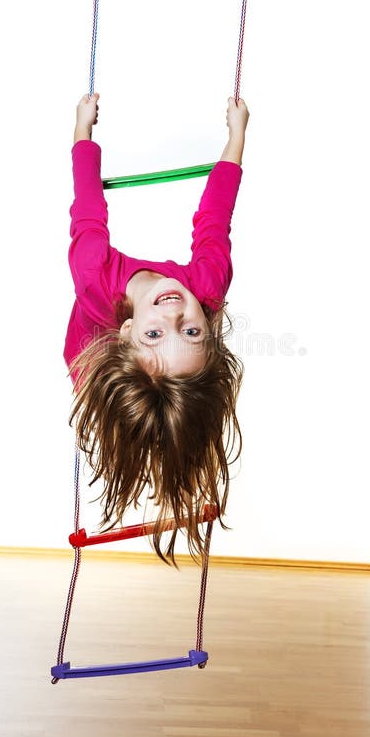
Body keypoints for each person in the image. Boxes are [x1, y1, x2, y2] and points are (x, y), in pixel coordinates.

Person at [65, 93, 249, 564]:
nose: (173, 315)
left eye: (154, 334)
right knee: (173, 412)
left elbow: (87, 206)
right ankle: (173, 440)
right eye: (191, 332)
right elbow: (215, 220)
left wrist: (82, 132)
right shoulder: (205, 288)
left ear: (127, 333)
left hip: (87, 346)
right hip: (134, 361)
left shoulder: (93, 274)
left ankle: (153, 436)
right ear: (208, 327)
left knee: (129, 413)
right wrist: (236, 138)